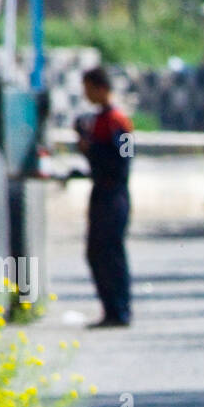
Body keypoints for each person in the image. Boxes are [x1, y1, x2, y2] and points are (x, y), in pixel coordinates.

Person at [75, 66, 133, 327]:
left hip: (114, 194)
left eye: (88, 88)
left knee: (111, 253)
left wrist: (92, 149)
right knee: (97, 252)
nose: (85, 94)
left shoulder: (118, 121)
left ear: (100, 88)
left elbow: (124, 160)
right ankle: (111, 309)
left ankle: (120, 310)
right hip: (102, 192)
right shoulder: (99, 120)